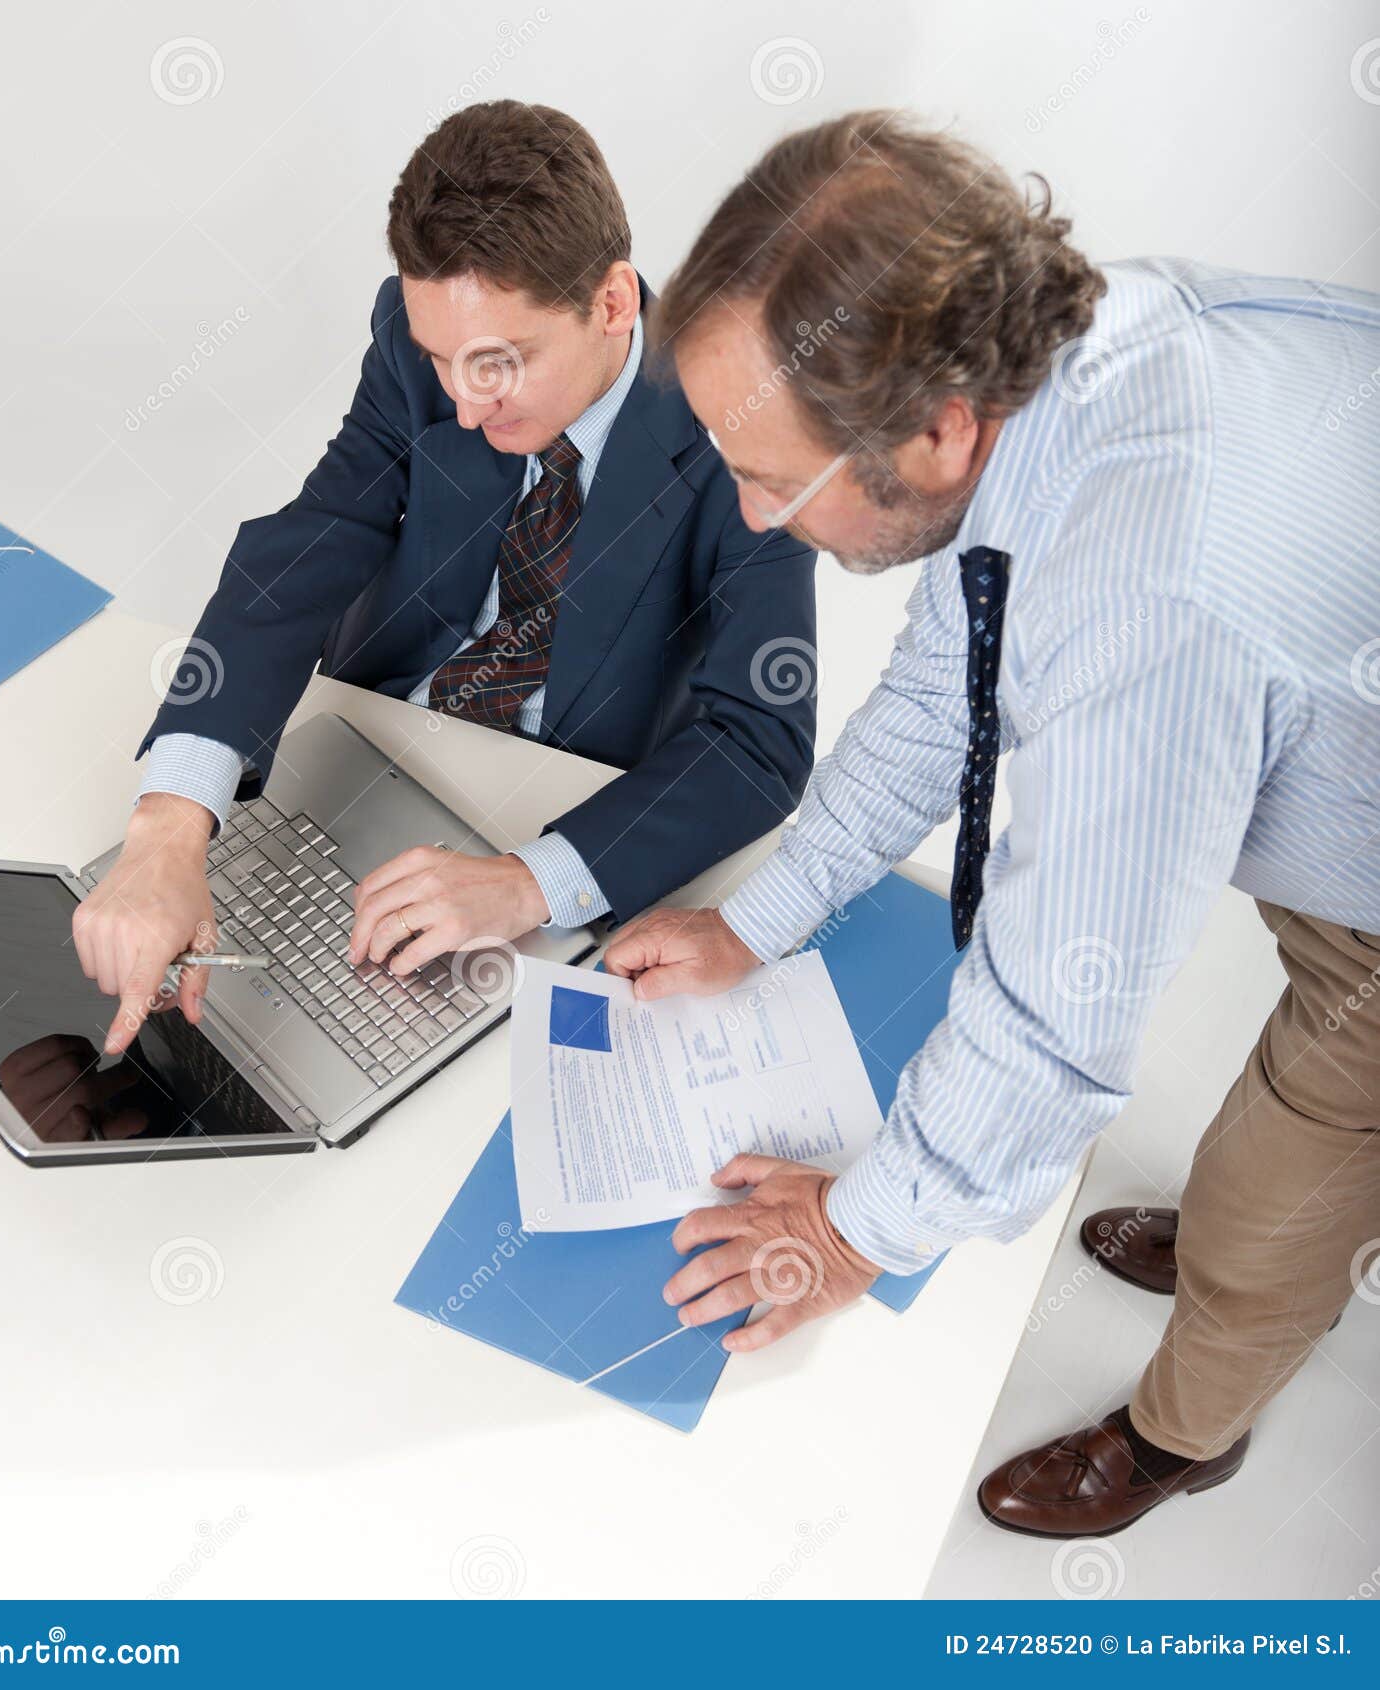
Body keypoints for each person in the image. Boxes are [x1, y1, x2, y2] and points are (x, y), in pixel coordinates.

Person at [604, 109, 1380, 1538]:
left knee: (1290, 1178)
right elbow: (946, 681)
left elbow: (1057, 1011)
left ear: (939, 425)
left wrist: (849, 1233)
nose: (756, 518)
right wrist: (758, 920)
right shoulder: (1074, 363)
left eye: (777, 475)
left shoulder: (1146, 594)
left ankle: (1184, 1428)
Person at [73, 102, 817, 1054]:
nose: (463, 406)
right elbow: (312, 542)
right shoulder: (419, 344)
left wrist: (524, 884)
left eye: (500, 364)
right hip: (370, 743)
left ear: (614, 303)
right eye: (441, 361)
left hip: (576, 806)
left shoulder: (751, 417)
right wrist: (170, 829)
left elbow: (758, 740)